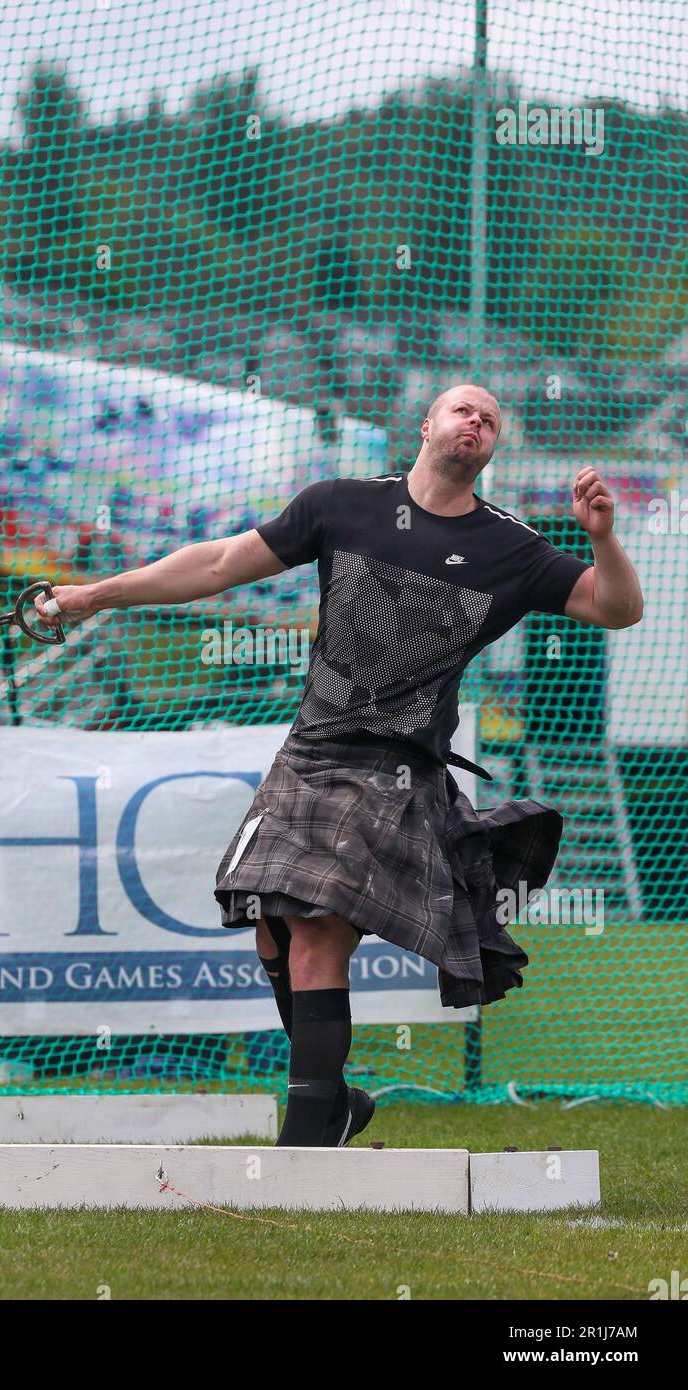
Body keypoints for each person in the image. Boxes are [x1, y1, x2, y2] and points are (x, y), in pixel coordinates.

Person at [36, 383, 644, 1149]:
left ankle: (302, 1147)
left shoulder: (510, 549)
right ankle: (335, 1104)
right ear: (426, 424)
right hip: (310, 750)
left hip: (395, 768)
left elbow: (617, 608)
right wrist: (96, 595)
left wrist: (603, 540)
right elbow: (219, 564)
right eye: (464, 410)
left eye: (490, 420)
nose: (477, 422)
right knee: (271, 928)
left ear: (491, 447)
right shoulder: (342, 505)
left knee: (317, 928)